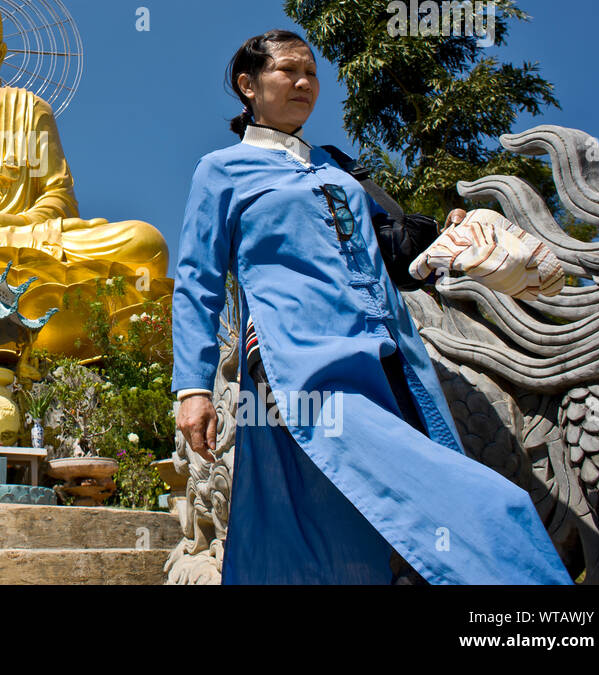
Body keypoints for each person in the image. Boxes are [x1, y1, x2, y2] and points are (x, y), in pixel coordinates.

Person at [171, 29, 572, 585]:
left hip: (390, 356)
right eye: (288, 70)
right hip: (300, 364)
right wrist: (192, 387)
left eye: (311, 72)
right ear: (248, 85)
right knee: (470, 499)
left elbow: (400, 254)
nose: (305, 82)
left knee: (348, 525)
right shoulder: (221, 171)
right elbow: (197, 279)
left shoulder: (340, 170)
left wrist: (456, 238)